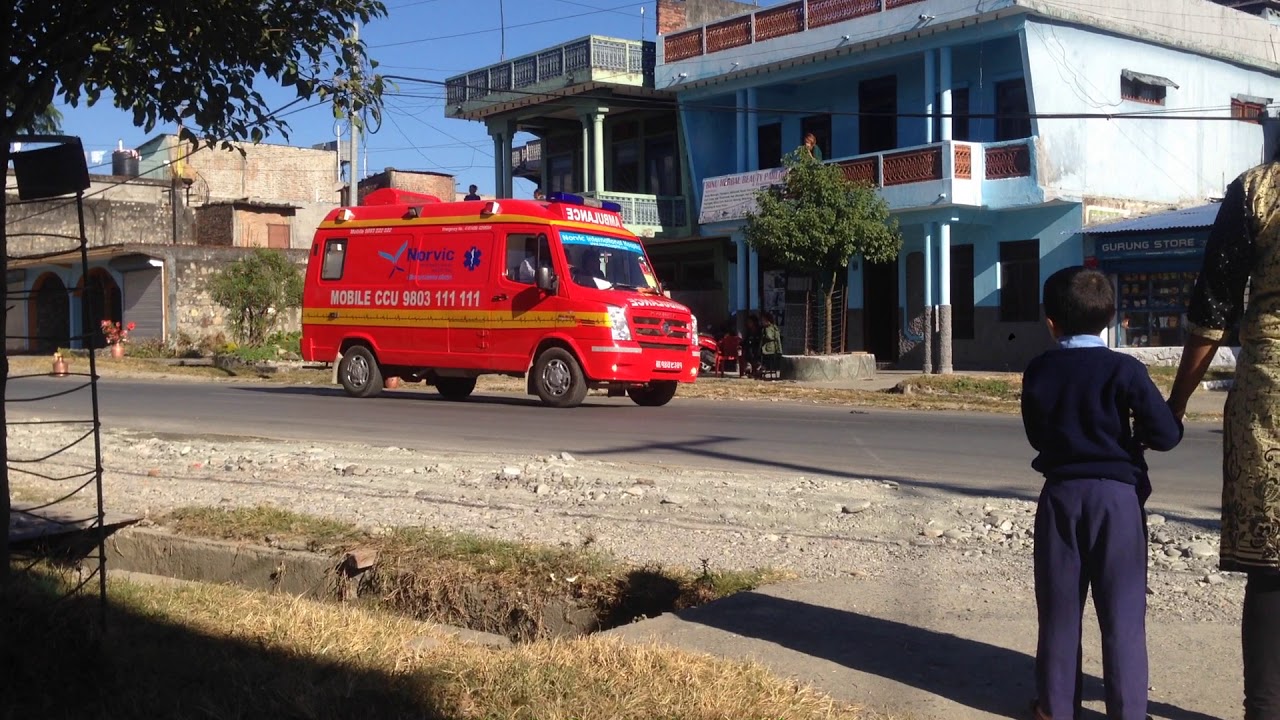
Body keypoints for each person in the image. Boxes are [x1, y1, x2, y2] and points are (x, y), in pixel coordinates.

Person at [1022, 266, 1182, 720]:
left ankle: (1054, 707)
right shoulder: (1125, 370)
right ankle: (1129, 711)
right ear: (1111, 320)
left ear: (1050, 322)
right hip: (1118, 501)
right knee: (1123, 616)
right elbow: (1167, 434)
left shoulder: (1039, 370)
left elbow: (1036, 435)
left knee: (1058, 612)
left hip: (1060, 498)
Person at [1168, 158, 1280, 720]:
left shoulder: (1258, 190)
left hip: (1270, 397)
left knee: (1271, 566)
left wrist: (1177, 403)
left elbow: (1214, 305)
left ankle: (1264, 710)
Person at [760, 312, 782, 376]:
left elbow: (770, 336)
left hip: (770, 349)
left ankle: (764, 367)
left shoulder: (771, 328)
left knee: (766, 358)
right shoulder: (765, 328)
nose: (762, 322)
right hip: (766, 348)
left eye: (763, 320)